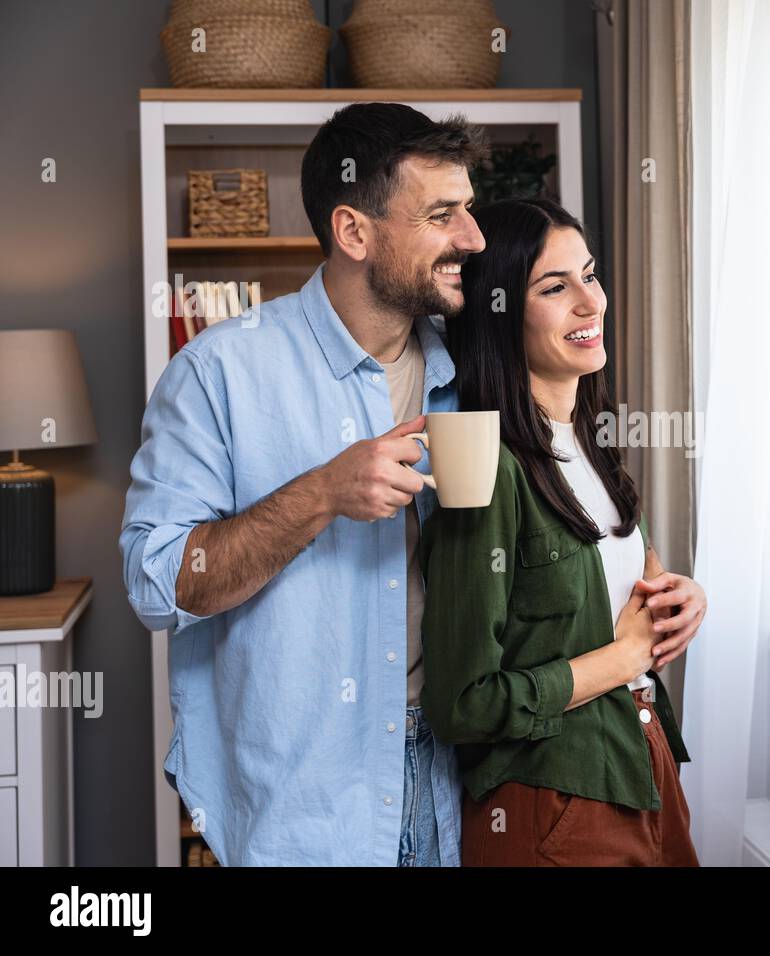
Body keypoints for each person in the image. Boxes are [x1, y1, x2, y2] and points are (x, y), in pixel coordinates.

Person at [120, 103, 489, 865]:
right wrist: (321, 493)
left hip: (456, 780)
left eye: (471, 212)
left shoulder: (470, 372)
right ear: (355, 232)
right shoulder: (218, 372)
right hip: (300, 803)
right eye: (443, 215)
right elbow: (156, 584)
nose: (472, 240)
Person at [420, 198, 707, 866]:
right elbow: (463, 704)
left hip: (641, 763)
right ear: (499, 314)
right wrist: (624, 659)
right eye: (554, 287)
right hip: (552, 801)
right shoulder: (484, 465)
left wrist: (681, 594)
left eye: (590, 274)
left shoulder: (590, 441)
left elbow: (616, 575)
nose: (590, 302)